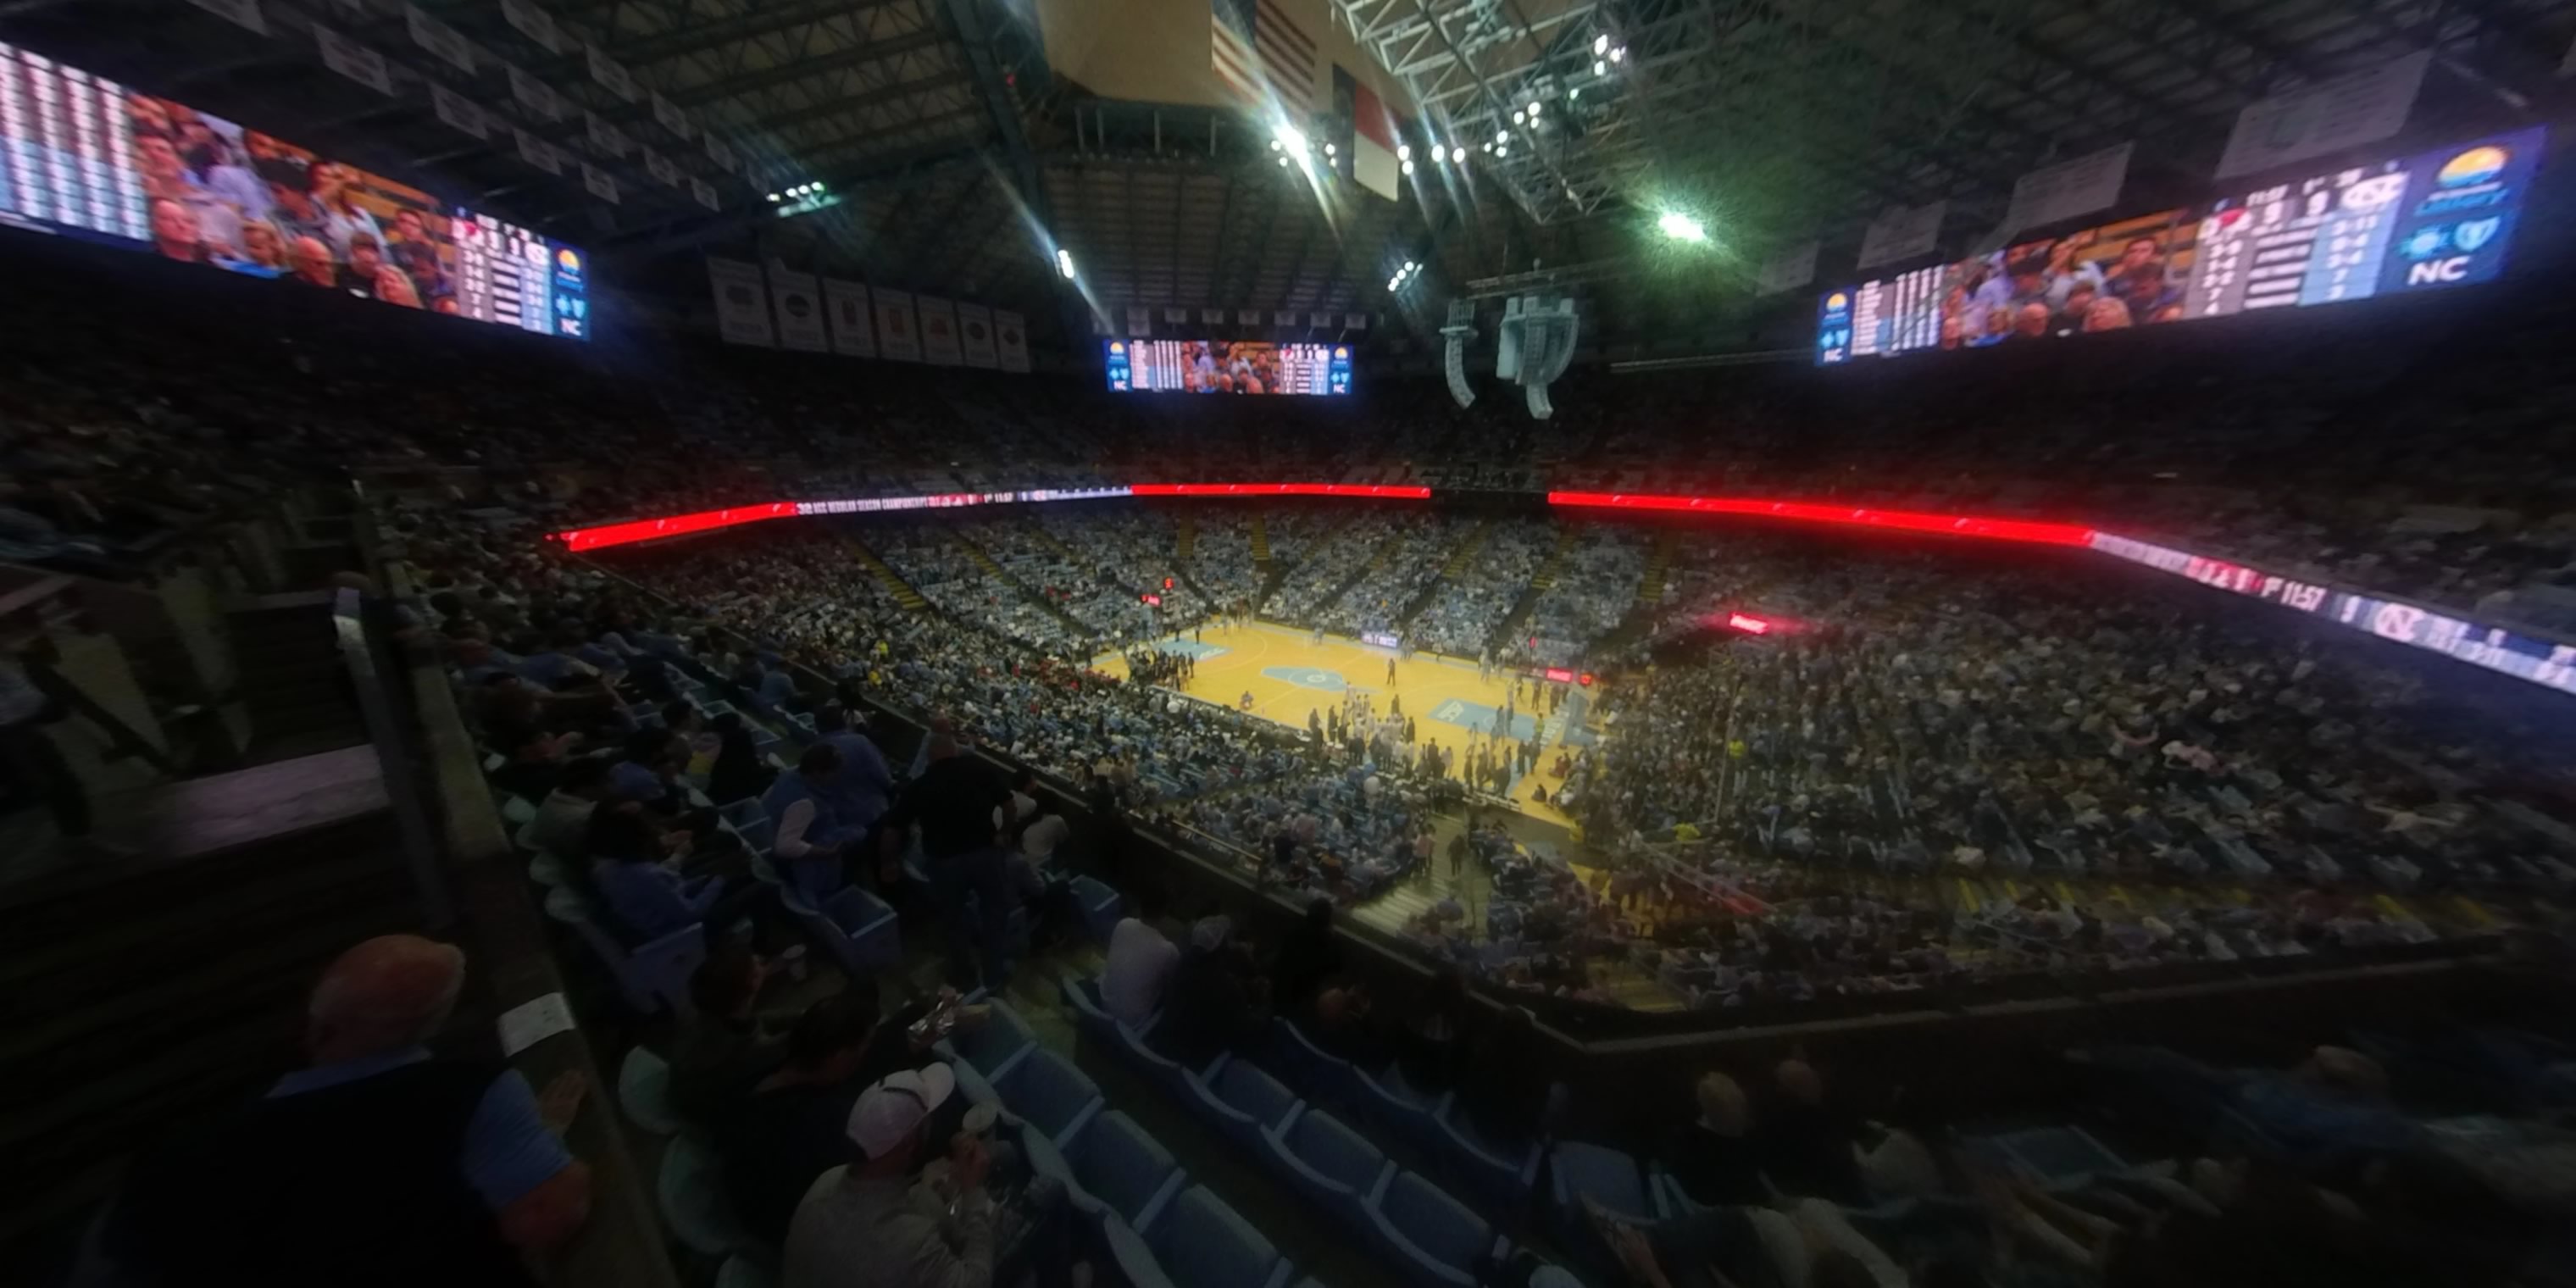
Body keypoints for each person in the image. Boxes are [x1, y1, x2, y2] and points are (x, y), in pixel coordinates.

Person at [102, 935, 591, 1285]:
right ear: (435, 1022)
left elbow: (129, 1255)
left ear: (314, 1029)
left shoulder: (181, 1154)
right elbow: (552, 1216)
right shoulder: (475, 1092)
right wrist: (543, 1133)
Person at [782, 1064, 1077, 1288]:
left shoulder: (826, 1182)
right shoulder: (910, 1244)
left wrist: (928, 1189)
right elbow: (974, 1281)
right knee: (1050, 1191)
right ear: (910, 1143)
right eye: (927, 1116)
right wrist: (972, 1193)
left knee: (1003, 1154)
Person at [880, 734, 1015, 990]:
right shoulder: (978, 769)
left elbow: (891, 830)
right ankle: (993, 976)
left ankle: (965, 977)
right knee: (995, 914)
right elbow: (1008, 804)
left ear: (930, 758)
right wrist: (1005, 833)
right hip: (984, 855)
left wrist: (888, 862)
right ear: (955, 751)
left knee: (953, 921)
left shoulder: (919, 786)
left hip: (945, 863)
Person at [669, 942, 786, 1122]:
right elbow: (783, 1043)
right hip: (716, 1109)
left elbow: (757, 1020)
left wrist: (798, 1015)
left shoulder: (706, 1008)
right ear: (752, 983)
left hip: (688, 1085)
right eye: (754, 965)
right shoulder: (746, 1049)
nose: (757, 960)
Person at [587, 806, 727, 942]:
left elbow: (669, 891)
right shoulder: (647, 874)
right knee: (743, 886)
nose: (656, 834)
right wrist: (722, 878)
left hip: (647, 915)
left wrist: (704, 881)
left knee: (715, 868)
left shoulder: (607, 865)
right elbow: (690, 914)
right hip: (670, 934)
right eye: (651, 834)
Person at [1152, 915, 1269, 1068]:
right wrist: (1265, 1007)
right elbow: (1246, 1034)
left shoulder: (1184, 963)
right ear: (1222, 951)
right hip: (1189, 1064)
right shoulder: (1227, 990)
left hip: (1162, 1046)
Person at [764, 743, 862, 899]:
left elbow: (768, 799)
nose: (837, 775)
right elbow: (785, 847)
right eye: (833, 771)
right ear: (817, 772)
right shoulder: (805, 802)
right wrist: (826, 853)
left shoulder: (790, 775)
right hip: (801, 868)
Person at [1665, 1071, 1770, 1208]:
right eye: (1732, 1109)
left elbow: (1758, 1174)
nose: (1740, 1114)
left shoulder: (1743, 1136)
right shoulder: (1691, 1144)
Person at [526, 753, 613, 858]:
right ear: (585, 787)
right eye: (607, 782)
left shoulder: (557, 794)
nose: (612, 786)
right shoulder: (580, 818)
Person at [1269, 897, 1343, 1015]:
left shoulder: (1294, 931)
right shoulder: (1328, 944)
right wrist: (1332, 937)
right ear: (1328, 921)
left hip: (1279, 990)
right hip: (1303, 1001)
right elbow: (1337, 968)